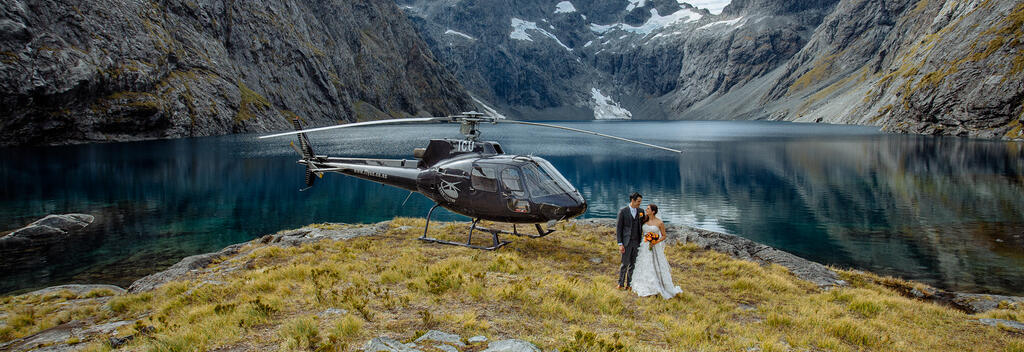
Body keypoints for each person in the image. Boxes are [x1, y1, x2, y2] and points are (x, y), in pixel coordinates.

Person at [630, 204, 682, 299]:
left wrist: (655, 241)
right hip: (644, 245)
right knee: (644, 263)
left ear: (653, 211)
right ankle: (645, 284)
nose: (646, 209)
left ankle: (658, 286)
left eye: (648, 209)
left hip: (654, 246)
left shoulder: (659, 223)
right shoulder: (644, 220)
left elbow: (664, 235)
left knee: (655, 263)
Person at [616, 192, 645, 290]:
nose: (639, 203)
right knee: (624, 264)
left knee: (633, 264)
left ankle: (629, 284)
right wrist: (620, 244)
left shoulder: (641, 211)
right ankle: (620, 283)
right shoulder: (623, 211)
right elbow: (619, 229)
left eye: (640, 201)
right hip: (626, 242)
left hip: (637, 242)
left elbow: (643, 225)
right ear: (632, 200)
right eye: (638, 201)